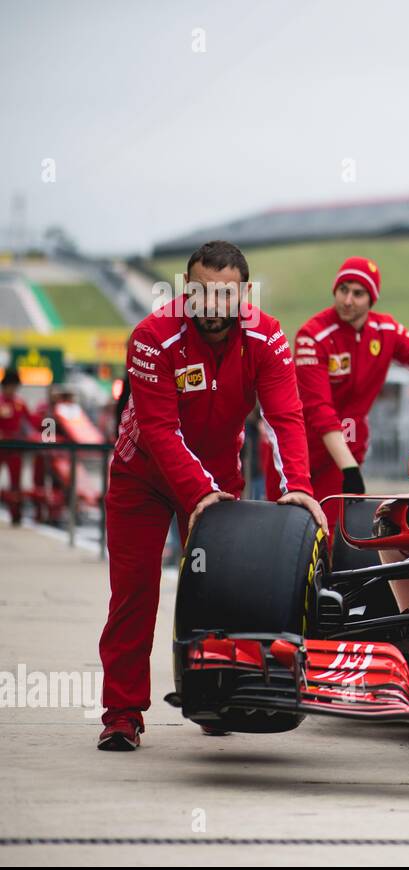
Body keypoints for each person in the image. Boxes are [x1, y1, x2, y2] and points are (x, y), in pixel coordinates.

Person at [97, 240, 325, 752]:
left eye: (226, 293)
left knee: (222, 592)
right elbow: (160, 430)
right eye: (202, 292)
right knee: (134, 595)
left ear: (244, 294)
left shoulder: (267, 336)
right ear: (186, 290)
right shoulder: (152, 337)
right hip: (141, 476)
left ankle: (217, 699)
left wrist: (299, 488)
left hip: (219, 477)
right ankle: (122, 713)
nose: (214, 304)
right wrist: (199, 493)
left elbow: (284, 418)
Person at [268, 256, 409, 530]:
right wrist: (349, 468)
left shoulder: (386, 330)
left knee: (332, 533)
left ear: (372, 299)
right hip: (297, 451)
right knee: (286, 530)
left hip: (346, 451)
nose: (348, 300)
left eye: (358, 293)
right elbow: (319, 410)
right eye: (343, 290)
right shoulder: (312, 335)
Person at [0, 368, 38, 524]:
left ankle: (16, 514)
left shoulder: (19, 403)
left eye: (15, 386)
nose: (13, 389)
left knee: (16, 483)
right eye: (10, 386)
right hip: (1, 446)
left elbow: (31, 421)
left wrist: (46, 419)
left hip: (15, 446)